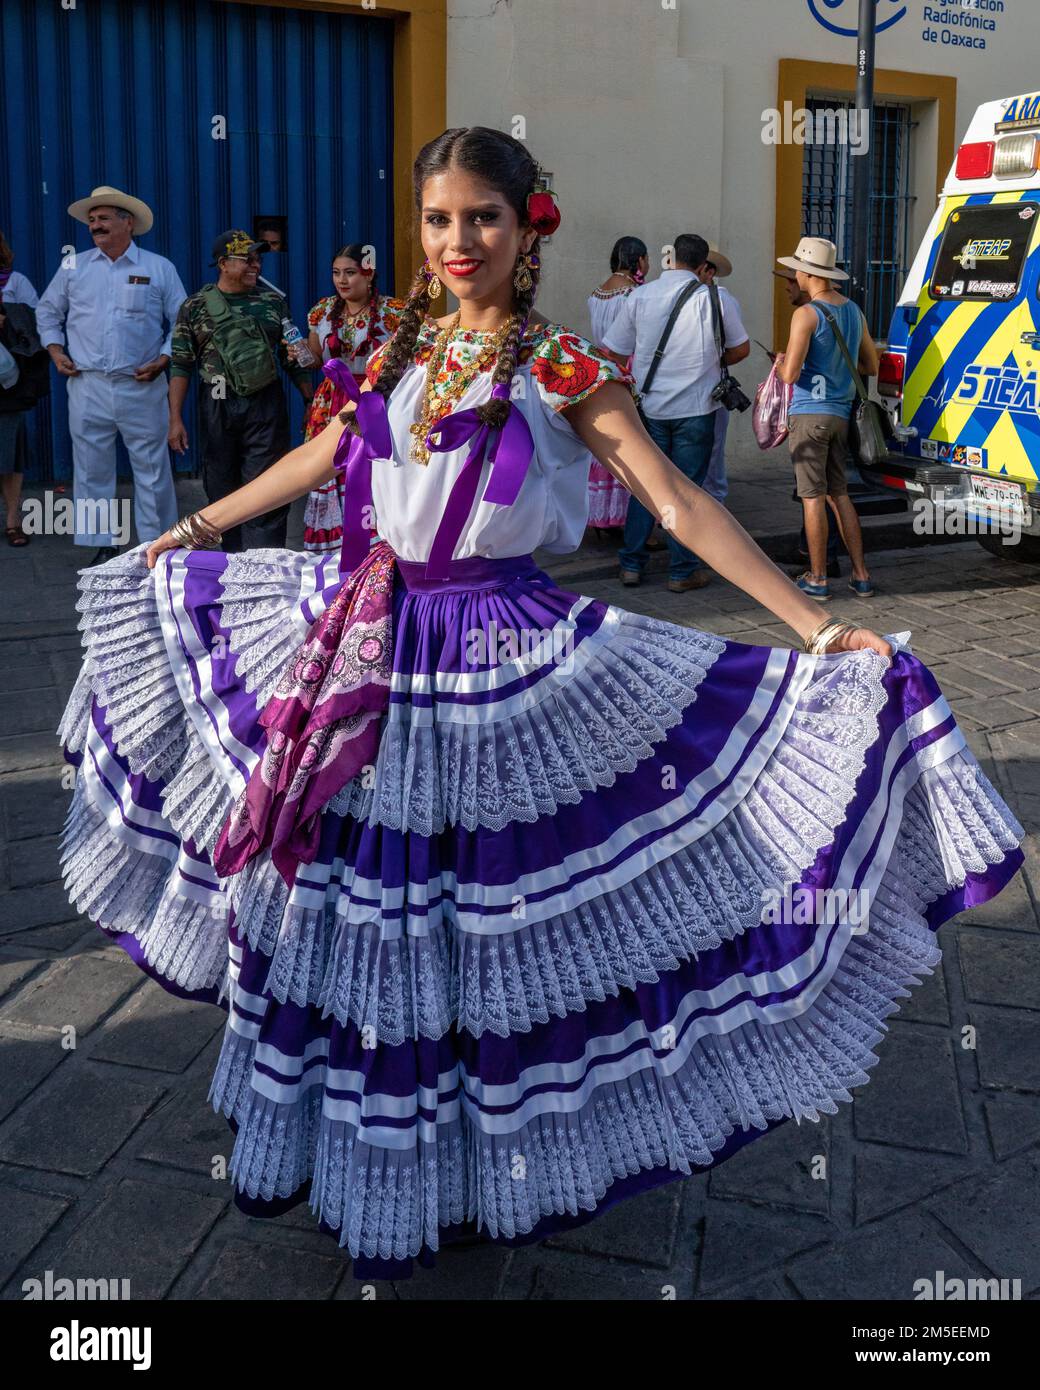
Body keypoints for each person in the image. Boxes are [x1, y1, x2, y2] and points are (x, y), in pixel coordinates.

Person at [58, 126, 1023, 1283]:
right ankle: (381, 1151)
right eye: (436, 219)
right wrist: (194, 528)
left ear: (526, 227)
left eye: (481, 217)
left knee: (495, 916)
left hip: (504, 661)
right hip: (372, 655)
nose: (457, 240)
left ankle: (484, 1162)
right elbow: (318, 461)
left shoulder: (557, 362)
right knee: (375, 913)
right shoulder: (392, 353)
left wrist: (814, 625)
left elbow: (673, 498)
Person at [34, 186, 186, 564]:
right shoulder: (73, 266)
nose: (95, 226)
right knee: (90, 468)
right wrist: (55, 350)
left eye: (103, 218)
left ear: (127, 223)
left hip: (143, 384)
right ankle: (102, 546)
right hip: (87, 384)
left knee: (152, 467)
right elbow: (47, 312)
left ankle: (155, 546)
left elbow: (182, 322)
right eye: (91, 220)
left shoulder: (157, 267)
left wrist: (164, 360)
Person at [604, 232, 750, 592]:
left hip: (650, 407)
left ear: (670, 260)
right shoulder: (717, 298)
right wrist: (712, 362)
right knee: (687, 490)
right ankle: (681, 571)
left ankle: (632, 565)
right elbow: (741, 349)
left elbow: (612, 351)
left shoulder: (640, 296)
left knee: (645, 486)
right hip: (698, 409)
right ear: (703, 267)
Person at [168, 230, 314, 552]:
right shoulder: (194, 307)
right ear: (222, 264)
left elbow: (293, 359)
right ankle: (233, 563)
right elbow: (181, 364)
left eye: (258, 259)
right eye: (246, 259)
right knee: (222, 488)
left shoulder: (273, 302)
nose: (256, 266)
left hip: (265, 402)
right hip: (218, 397)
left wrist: (308, 398)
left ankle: (265, 563)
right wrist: (175, 418)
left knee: (269, 486)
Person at [776, 237, 876, 601]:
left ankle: (817, 578)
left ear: (806, 272)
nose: (795, 275)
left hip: (810, 415)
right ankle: (861, 575)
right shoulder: (854, 310)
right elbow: (871, 365)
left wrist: (782, 361)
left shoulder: (805, 314)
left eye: (796, 270)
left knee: (812, 498)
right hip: (841, 415)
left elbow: (789, 376)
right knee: (841, 494)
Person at [301, 245, 404, 552]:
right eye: (336, 273)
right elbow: (315, 361)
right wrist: (300, 354)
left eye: (350, 272)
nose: (341, 280)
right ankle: (333, 553)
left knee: (371, 470)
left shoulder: (394, 313)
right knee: (328, 467)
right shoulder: (321, 312)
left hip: (374, 401)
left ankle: (376, 548)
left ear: (368, 274)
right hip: (330, 402)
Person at [585, 236, 647, 539]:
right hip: (626, 370)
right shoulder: (633, 294)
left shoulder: (596, 294)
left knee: (607, 446)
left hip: (599, 371)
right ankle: (624, 517)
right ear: (639, 261)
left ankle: (602, 515)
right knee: (633, 443)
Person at [0, 232, 43, 547]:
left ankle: (13, 520)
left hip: (7, 381)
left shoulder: (15, 282)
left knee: (9, 453)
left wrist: (6, 319)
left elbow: (37, 322)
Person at [699, 248, 736, 506]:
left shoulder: (720, 298)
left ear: (709, 272)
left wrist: (711, 363)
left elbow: (738, 346)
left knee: (713, 454)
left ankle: (714, 509)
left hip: (713, 388)